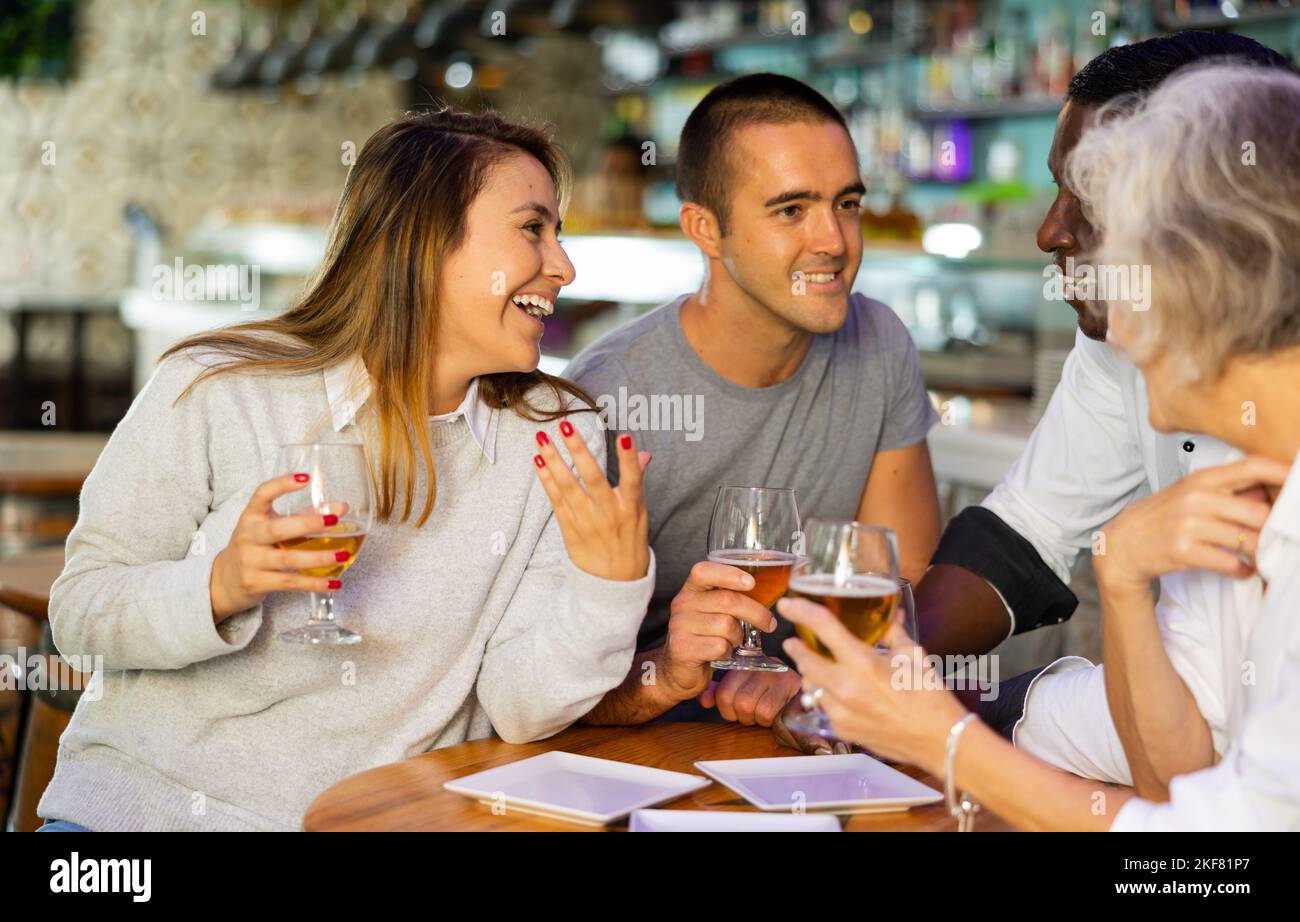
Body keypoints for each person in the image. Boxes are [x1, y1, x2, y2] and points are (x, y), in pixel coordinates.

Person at [36, 109, 654, 832]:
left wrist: (610, 586)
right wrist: (219, 586)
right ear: (422, 243)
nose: (564, 267)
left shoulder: (556, 437)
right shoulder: (215, 386)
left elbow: (522, 706)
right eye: (532, 228)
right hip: (139, 818)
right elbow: (80, 615)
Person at [779, 63, 1300, 830]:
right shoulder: (1243, 498)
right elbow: (1191, 808)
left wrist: (942, 737)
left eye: (1121, 257)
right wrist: (1118, 573)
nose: (1109, 325)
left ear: (1210, 273)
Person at [905, 31, 1295, 738]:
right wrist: (884, 666)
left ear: (1209, 211)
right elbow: (1026, 532)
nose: (1051, 231)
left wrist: (942, 725)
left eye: (1086, 194)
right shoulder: (1121, 333)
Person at [565, 73, 941, 732]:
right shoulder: (607, 394)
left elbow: (904, 579)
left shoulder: (879, 345)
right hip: (635, 751)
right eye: (792, 210)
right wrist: (663, 673)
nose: (834, 241)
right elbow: (537, 690)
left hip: (798, 743)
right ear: (706, 229)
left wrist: (819, 686)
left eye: (847, 204)